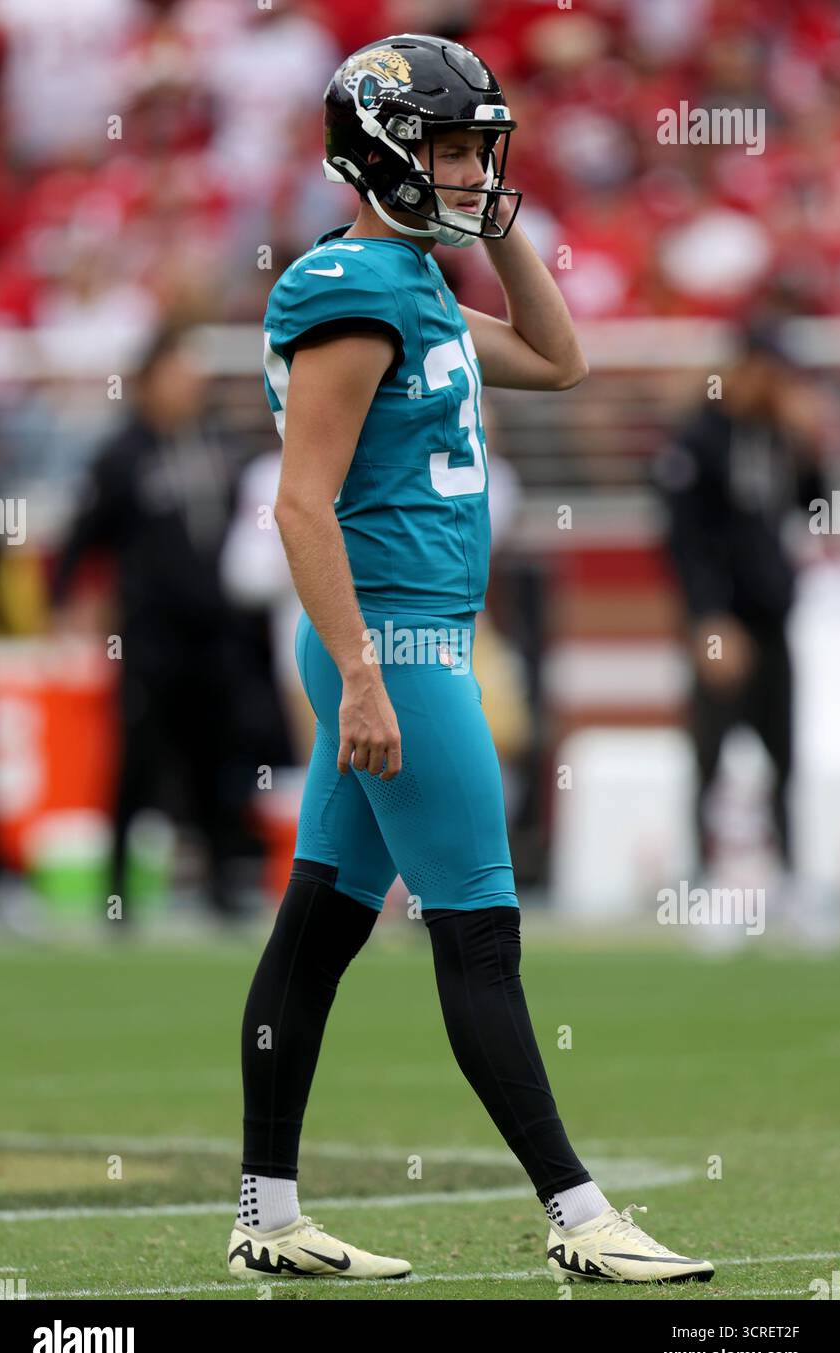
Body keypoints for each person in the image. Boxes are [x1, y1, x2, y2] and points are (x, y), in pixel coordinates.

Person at [228, 34, 714, 1286]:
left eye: (479, 150)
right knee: (480, 932)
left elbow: (560, 360)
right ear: (379, 151)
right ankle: (580, 1215)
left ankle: (266, 1216)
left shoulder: (418, 283)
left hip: (414, 638)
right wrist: (363, 674)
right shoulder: (348, 288)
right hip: (387, 639)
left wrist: (498, 222)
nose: (468, 172)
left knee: (317, 934)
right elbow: (300, 505)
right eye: (448, 149)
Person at [51, 324, 267, 924]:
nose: (188, 387)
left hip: (218, 634)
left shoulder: (220, 448)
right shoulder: (122, 456)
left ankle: (224, 883)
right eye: (176, 375)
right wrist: (65, 602)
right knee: (138, 764)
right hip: (149, 639)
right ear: (146, 384)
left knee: (219, 761)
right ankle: (117, 892)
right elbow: (81, 537)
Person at [654, 322, 828, 882]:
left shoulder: (777, 435)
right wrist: (708, 620)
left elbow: (813, 505)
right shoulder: (699, 439)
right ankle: (703, 878)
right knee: (711, 755)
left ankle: (789, 879)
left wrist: (812, 446)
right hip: (723, 621)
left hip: (772, 615)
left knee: (784, 755)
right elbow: (682, 540)